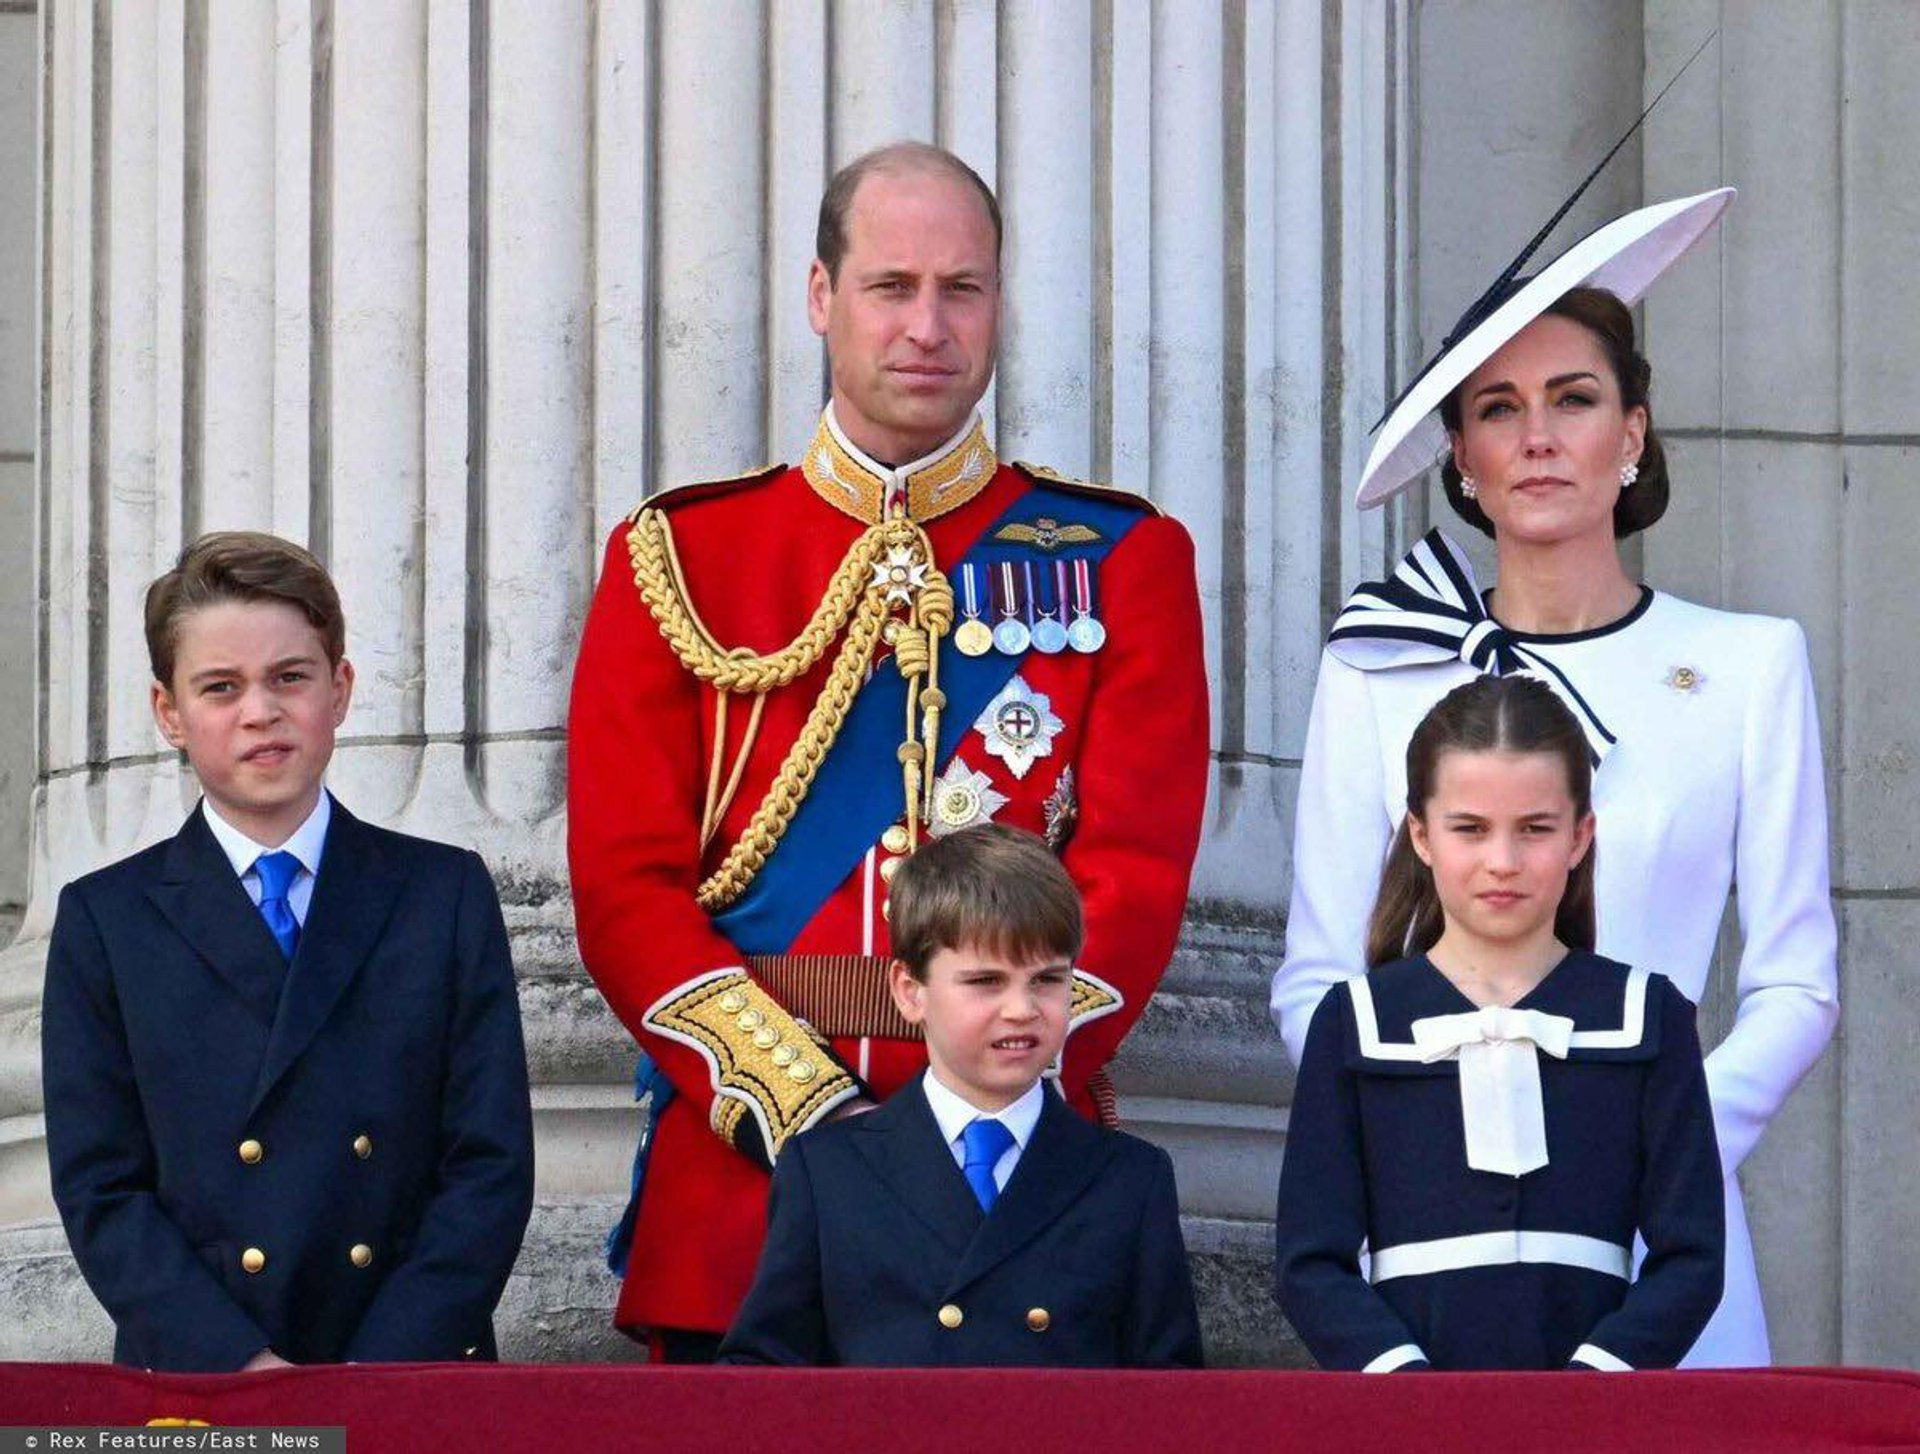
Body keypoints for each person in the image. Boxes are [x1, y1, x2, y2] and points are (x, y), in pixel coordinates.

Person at [567, 142, 1208, 1360]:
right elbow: (623, 889)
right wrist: (806, 1112)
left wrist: (982, 1100)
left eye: (961, 289)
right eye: (891, 285)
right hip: (747, 1191)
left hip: (1015, 1194)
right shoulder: (680, 556)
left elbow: (1131, 874)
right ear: (822, 297)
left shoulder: (1123, 559)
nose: (928, 324)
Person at [1270, 189, 1837, 1366]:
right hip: (1428, 1247)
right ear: (1462, 459)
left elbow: (1797, 984)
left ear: (1631, 432)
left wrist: (1652, 1143)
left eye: (1573, 400)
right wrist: (1410, 1143)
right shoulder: (1381, 665)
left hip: (1670, 1241)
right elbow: (1319, 976)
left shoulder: (1747, 664)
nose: (1537, 437)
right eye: (1498, 409)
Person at [41, 531, 535, 1371]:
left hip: (407, 1370)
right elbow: (102, 1190)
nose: (259, 712)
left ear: (339, 690)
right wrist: (242, 1368)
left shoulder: (441, 894)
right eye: (220, 687)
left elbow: (488, 1164)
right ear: (170, 713)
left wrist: (374, 1379)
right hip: (205, 1378)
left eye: (289, 678)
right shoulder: (106, 922)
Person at [1276, 675, 1723, 1371]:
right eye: (1470, 829)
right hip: (1409, 1421)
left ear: (1581, 836)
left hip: (1594, 1420)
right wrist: (1408, 1386)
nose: (1503, 862)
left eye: (1535, 830)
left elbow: (1692, 1257)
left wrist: (1594, 1383)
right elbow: (1310, 1263)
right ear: (1421, 836)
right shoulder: (1356, 1021)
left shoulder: (1648, 1017)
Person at [719, 824, 1203, 1367]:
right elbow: (763, 1380)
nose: (1022, 1008)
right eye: (985, 982)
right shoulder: (828, 1170)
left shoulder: (1129, 1179)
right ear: (910, 992)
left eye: (1047, 980)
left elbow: (1170, 1394)